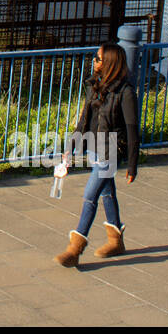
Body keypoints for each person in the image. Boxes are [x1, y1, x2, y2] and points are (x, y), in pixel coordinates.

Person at [53, 42, 140, 268]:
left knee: (90, 195)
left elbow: (132, 130)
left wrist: (132, 165)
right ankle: (116, 240)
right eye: (95, 57)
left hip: (110, 151)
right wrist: (70, 148)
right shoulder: (94, 86)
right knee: (107, 193)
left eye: (98, 58)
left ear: (110, 62)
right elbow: (83, 120)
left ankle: (75, 248)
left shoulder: (126, 92)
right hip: (94, 146)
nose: (95, 61)